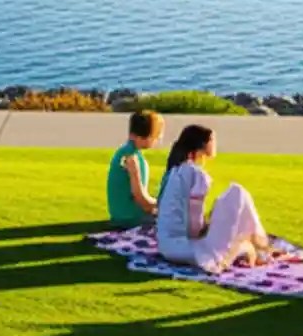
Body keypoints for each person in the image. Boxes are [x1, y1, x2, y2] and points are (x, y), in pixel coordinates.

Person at [156, 124, 272, 273]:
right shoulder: (196, 174)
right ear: (204, 145)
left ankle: (258, 246)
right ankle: (260, 246)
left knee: (234, 208)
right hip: (183, 247)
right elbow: (194, 227)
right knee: (237, 193)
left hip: (166, 245)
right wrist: (208, 226)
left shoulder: (176, 170)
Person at [106, 109, 164, 228]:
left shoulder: (125, 151)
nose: (157, 140)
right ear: (142, 138)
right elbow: (139, 196)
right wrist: (161, 205)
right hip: (129, 218)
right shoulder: (131, 158)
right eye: (155, 137)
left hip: (121, 214)